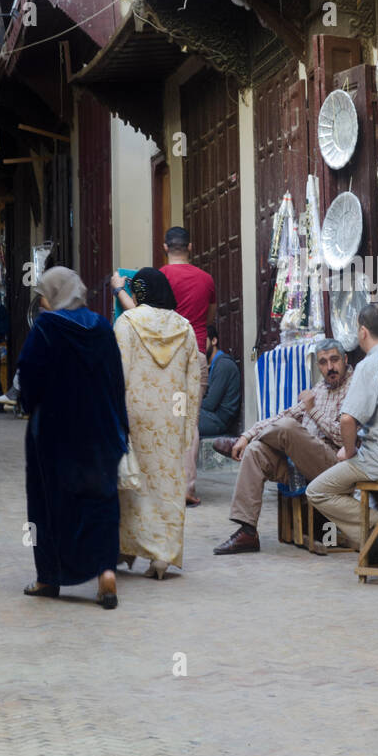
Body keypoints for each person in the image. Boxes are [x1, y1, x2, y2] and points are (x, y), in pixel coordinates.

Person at [18, 267, 128, 610]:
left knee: (49, 504)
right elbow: (116, 380)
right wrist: (120, 427)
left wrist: (29, 406)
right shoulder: (102, 327)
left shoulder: (47, 328)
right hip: (99, 432)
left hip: (55, 433)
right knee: (102, 500)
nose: (43, 301)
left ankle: (49, 577)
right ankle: (106, 571)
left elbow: (29, 377)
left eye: (45, 294)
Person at [212, 339, 353, 554]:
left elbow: (343, 438)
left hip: (333, 467)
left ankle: (252, 440)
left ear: (345, 359)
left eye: (334, 360)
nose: (330, 368)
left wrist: (312, 410)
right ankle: (247, 531)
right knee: (255, 452)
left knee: (287, 428)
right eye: (323, 363)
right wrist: (246, 436)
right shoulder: (320, 389)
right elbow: (285, 415)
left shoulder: (353, 387)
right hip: (301, 467)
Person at [111, 226, 214, 507]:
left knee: (150, 418)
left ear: (165, 247)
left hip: (154, 360)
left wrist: (120, 291)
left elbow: (141, 315)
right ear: (190, 247)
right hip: (193, 354)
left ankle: (147, 480)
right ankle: (186, 485)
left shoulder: (158, 278)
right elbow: (209, 316)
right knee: (188, 418)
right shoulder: (206, 280)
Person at [114, 268, 200, 580]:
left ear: (139, 294)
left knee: (133, 482)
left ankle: (126, 547)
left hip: (135, 414)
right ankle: (162, 558)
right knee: (167, 485)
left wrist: (114, 416)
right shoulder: (186, 328)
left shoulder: (126, 324)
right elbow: (193, 381)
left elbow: (116, 373)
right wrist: (189, 424)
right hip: (172, 418)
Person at [306, 303, 378, 551]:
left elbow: (348, 420)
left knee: (317, 491)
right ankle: (377, 540)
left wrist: (348, 452)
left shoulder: (369, 364)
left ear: (362, 332)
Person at [199, 323, 240, 438]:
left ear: (214, 341)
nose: (199, 346)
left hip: (218, 421)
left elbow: (210, 404)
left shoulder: (223, 365)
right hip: (209, 416)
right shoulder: (210, 365)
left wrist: (190, 405)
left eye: (203, 341)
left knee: (178, 417)